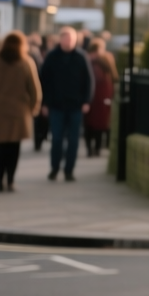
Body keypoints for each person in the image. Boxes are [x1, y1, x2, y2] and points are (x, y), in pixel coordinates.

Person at [0, 32, 42, 192]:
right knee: (14, 148)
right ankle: (11, 180)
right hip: (19, 112)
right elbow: (35, 89)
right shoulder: (26, 61)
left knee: (1, 147)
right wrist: (33, 108)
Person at [38, 27, 94, 181]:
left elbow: (89, 81)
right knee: (56, 139)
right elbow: (43, 81)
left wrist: (86, 101)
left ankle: (69, 170)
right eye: (66, 38)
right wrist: (45, 103)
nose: (69, 41)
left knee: (73, 141)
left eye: (72, 39)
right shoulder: (52, 57)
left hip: (75, 106)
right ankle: (55, 168)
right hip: (56, 106)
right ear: (61, 39)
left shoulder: (81, 57)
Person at [84, 45, 117, 158]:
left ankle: (92, 148)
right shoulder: (102, 64)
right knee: (97, 125)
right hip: (98, 99)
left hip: (97, 99)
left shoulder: (99, 63)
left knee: (93, 125)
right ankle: (95, 148)